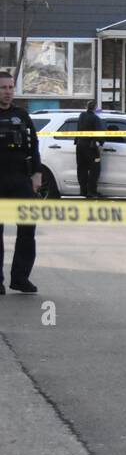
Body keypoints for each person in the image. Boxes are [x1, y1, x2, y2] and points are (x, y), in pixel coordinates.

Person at [0, 70, 39, 296]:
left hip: (20, 181)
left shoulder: (22, 115)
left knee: (27, 230)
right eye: (3, 88)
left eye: (10, 88)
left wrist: (36, 173)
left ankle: (20, 278)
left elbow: (33, 147)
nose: (8, 92)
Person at [75, 99, 105, 198]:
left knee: (82, 168)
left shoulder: (81, 116)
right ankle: (92, 191)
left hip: (80, 146)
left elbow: (78, 128)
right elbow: (99, 133)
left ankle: (83, 191)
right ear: (95, 108)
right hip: (90, 147)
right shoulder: (96, 118)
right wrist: (101, 143)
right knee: (95, 169)